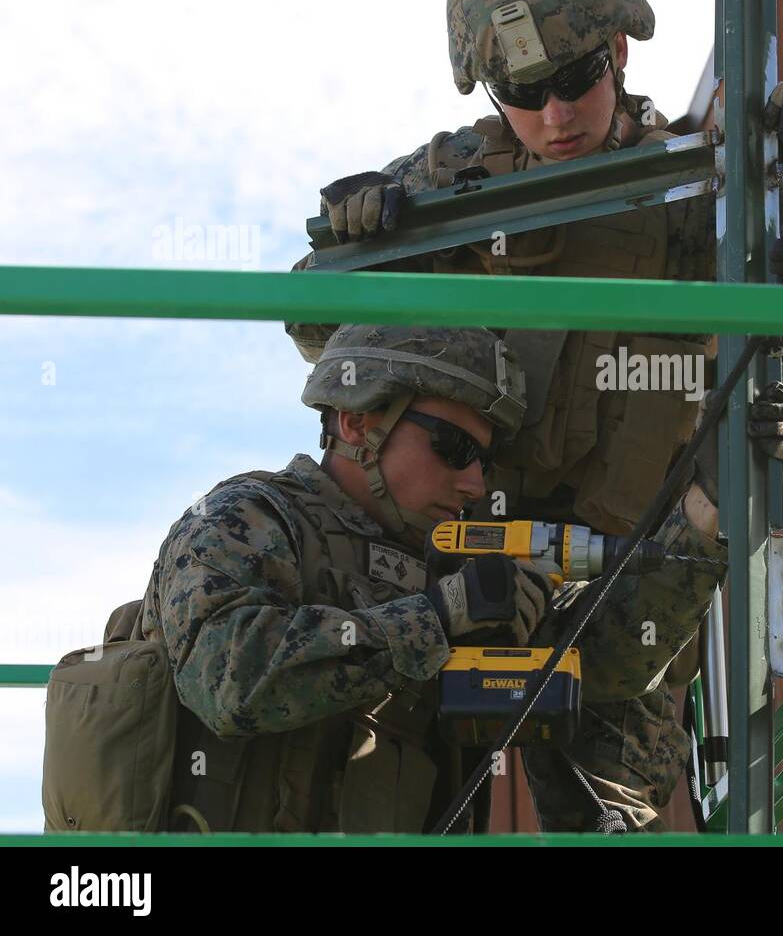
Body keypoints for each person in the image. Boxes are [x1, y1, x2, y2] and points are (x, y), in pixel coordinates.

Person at [285, 0, 783, 832]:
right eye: (523, 93)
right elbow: (311, 327)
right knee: (393, 801)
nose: (555, 116)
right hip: (456, 572)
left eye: (575, 78)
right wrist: (357, 246)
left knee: (616, 824)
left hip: (627, 589)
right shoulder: (458, 181)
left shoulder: (699, 184)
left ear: (618, 50)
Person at [141, 325, 550, 833]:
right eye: (454, 447)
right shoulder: (244, 519)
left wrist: (681, 527)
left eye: (484, 462)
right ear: (357, 424)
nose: (474, 484)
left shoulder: (455, 568)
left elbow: (615, 662)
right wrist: (438, 617)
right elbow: (229, 680)